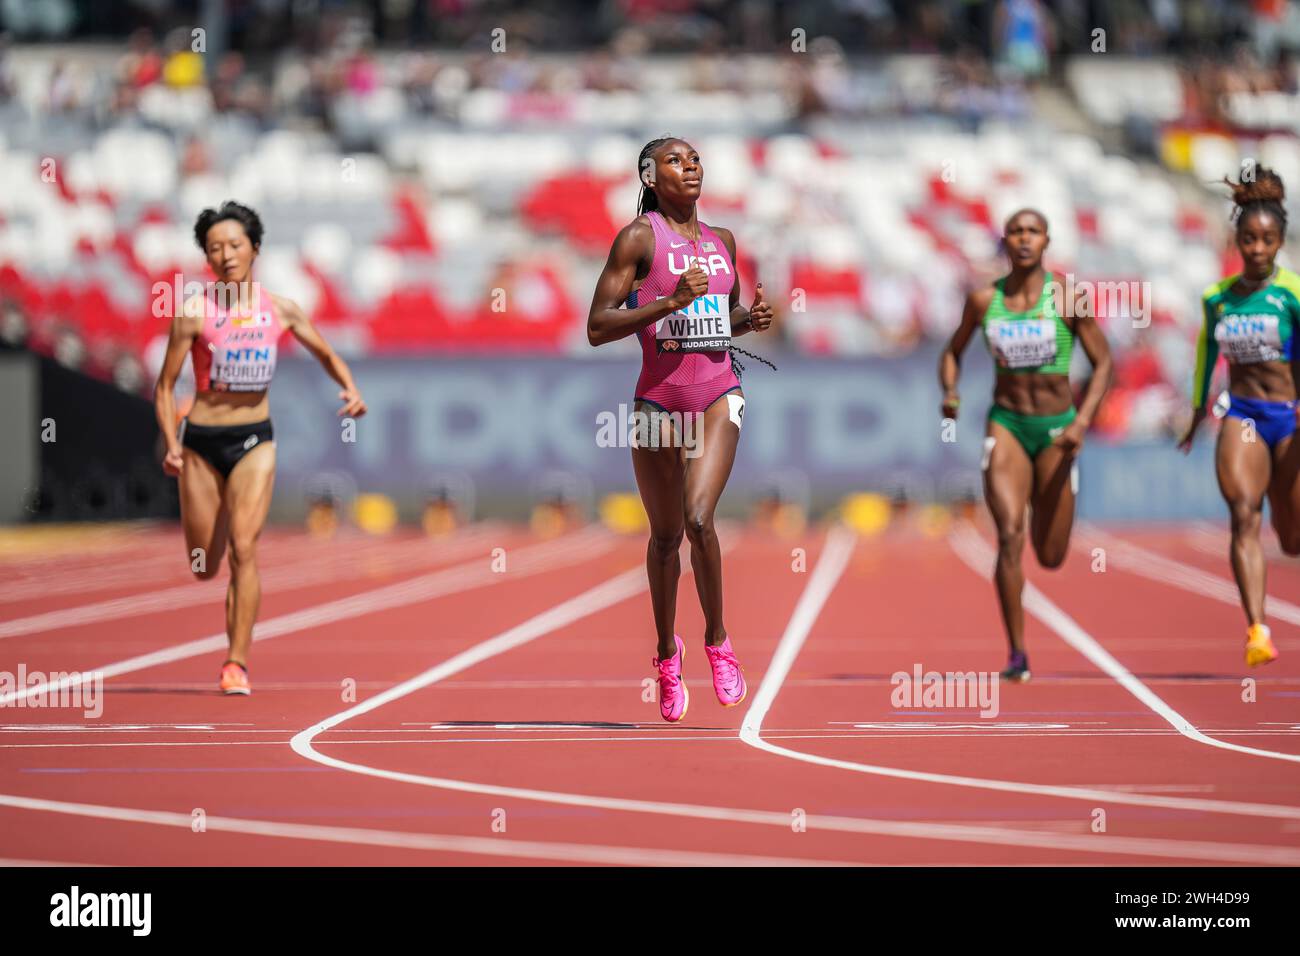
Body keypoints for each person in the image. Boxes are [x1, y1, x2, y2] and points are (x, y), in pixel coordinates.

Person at [587, 136, 774, 722]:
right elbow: (597, 326)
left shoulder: (723, 242)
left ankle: (718, 640)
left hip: (718, 391)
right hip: (658, 401)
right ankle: (668, 653)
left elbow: (724, 316)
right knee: (665, 537)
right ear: (650, 175)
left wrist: (751, 320)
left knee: (699, 519)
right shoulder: (639, 238)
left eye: (695, 158)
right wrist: (667, 302)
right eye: (675, 159)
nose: (690, 166)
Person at [153, 201, 367, 695]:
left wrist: (351, 389)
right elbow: (165, 386)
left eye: (234, 245)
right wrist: (172, 443)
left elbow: (328, 353)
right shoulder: (192, 314)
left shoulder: (281, 309)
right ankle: (220, 520)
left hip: (254, 439)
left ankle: (236, 663)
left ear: (255, 249)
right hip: (202, 443)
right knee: (205, 565)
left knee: (245, 549)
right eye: (215, 248)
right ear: (206, 259)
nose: (226, 255)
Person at [940, 208, 1112, 681]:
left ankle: (1047, 518)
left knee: (1051, 554)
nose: (1023, 239)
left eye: (1033, 231)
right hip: (1007, 425)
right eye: (1015, 231)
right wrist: (950, 392)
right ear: (1005, 242)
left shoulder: (1068, 299)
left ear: (1046, 240)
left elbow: (1103, 364)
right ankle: (1017, 653)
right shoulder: (983, 300)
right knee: (1010, 535)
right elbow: (951, 353)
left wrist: (1083, 420)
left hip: (1058, 429)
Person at [1179, 167, 1300, 667]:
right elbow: (1208, 353)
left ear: (1279, 242)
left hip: (1290, 416)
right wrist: (1194, 413)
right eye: (1248, 239)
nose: (1256, 249)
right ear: (1236, 240)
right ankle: (1257, 629)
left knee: (1292, 537)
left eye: (1266, 240)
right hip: (1242, 413)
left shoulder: (1293, 293)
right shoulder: (1217, 298)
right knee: (1244, 513)